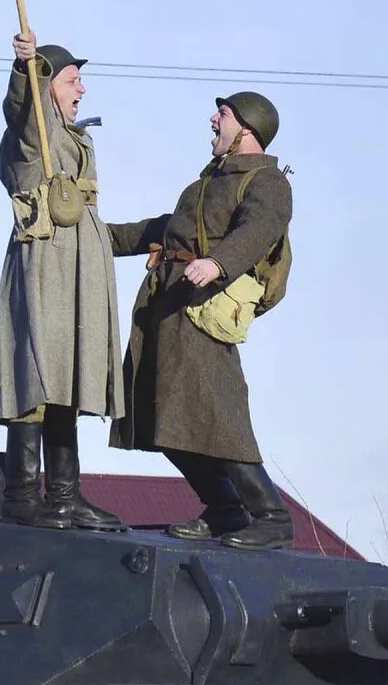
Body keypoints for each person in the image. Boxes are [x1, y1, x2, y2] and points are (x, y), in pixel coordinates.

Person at [108, 93, 297, 549]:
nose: (214, 119)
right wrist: (97, 236)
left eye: (224, 115)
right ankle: (224, 508)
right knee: (161, 415)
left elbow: (259, 229)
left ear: (247, 129)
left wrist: (218, 264)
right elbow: (167, 227)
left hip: (204, 307)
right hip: (167, 305)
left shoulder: (267, 181)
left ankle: (271, 516)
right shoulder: (209, 181)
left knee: (219, 413)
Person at [0, 30, 127, 531]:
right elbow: (23, 110)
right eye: (72, 80)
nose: (82, 90)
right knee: (37, 372)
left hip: (77, 271)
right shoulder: (37, 132)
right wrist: (28, 69)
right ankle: (23, 495)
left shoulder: (73, 137)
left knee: (66, 376)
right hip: (45, 266)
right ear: (48, 87)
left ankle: (66, 496)